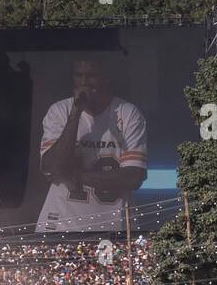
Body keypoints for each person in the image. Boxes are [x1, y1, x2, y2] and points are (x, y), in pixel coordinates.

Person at [35, 57, 147, 232]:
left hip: (114, 226)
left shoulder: (128, 113)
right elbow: (52, 168)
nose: (84, 82)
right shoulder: (60, 110)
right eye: (79, 75)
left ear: (106, 78)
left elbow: (134, 177)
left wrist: (77, 177)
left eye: (91, 76)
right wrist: (76, 112)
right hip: (59, 225)